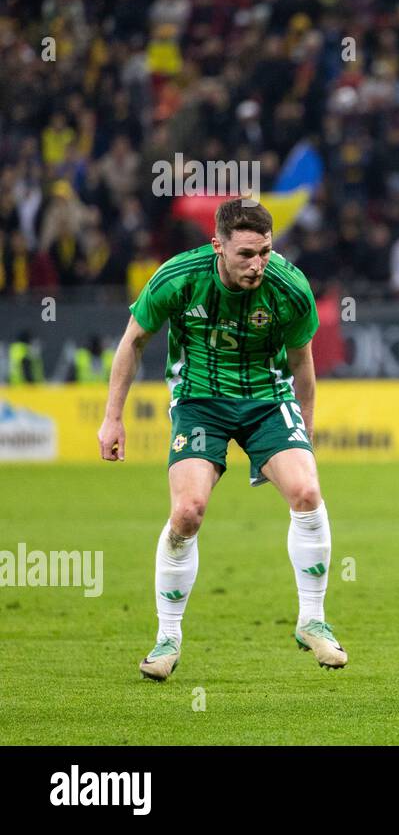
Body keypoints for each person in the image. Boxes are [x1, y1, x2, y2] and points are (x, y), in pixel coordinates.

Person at [97, 199, 346, 680]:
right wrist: (113, 418)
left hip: (267, 399)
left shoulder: (290, 287)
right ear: (218, 246)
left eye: (266, 252)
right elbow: (133, 340)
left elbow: (302, 365)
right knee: (187, 512)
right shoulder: (179, 277)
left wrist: (305, 431)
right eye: (246, 254)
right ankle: (167, 637)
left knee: (307, 492)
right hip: (199, 400)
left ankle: (313, 620)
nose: (257, 265)